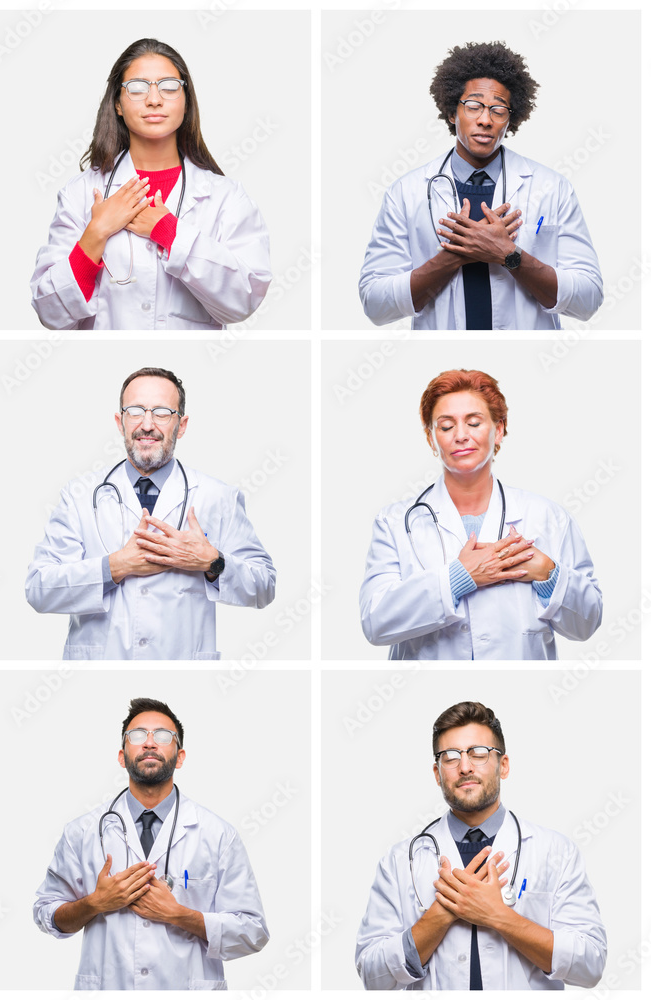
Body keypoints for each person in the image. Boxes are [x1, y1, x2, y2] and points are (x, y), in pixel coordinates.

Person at [25, 367, 275, 658]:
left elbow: (264, 586)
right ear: (120, 422)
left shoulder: (219, 496)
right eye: (135, 411)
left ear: (181, 425)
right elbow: (39, 590)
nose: (147, 424)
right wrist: (116, 567)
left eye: (161, 412)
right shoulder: (79, 495)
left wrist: (212, 562)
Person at [355, 701, 606, 990]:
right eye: (450, 757)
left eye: (478, 754)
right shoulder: (400, 861)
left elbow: (591, 964)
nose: (464, 767)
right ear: (437, 773)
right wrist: (441, 913)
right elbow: (372, 975)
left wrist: (498, 916)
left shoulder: (556, 851)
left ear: (504, 765)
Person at [359, 41, 602, 330]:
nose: (485, 120)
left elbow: (588, 299)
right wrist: (457, 254)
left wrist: (509, 255)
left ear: (510, 120)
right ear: (452, 112)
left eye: (498, 110)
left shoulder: (552, 188)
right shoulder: (405, 192)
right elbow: (375, 304)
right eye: (473, 106)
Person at [30, 38, 270, 330]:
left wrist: (168, 232)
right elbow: (49, 311)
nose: (154, 99)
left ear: (186, 101)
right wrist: (96, 233)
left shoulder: (225, 197)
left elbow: (244, 299)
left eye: (169, 87)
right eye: (137, 88)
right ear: (117, 104)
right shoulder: (80, 193)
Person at [360, 369, 601, 659]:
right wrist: (459, 577)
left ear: (498, 430)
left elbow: (587, 623)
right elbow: (375, 623)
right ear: (430, 438)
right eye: (446, 427)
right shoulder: (395, 522)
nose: (461, 436)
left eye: (474, 423)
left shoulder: (547, 517)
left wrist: (549, 574)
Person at [34, 697, 268, 989]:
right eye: (137, 735)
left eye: (162, 736)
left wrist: (181, 915)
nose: (149, 743)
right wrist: (95, 903)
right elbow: (46, 914)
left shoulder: (218, 834)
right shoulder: (82, 831)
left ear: (180, 756)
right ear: (122, 756)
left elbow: (253, 932)